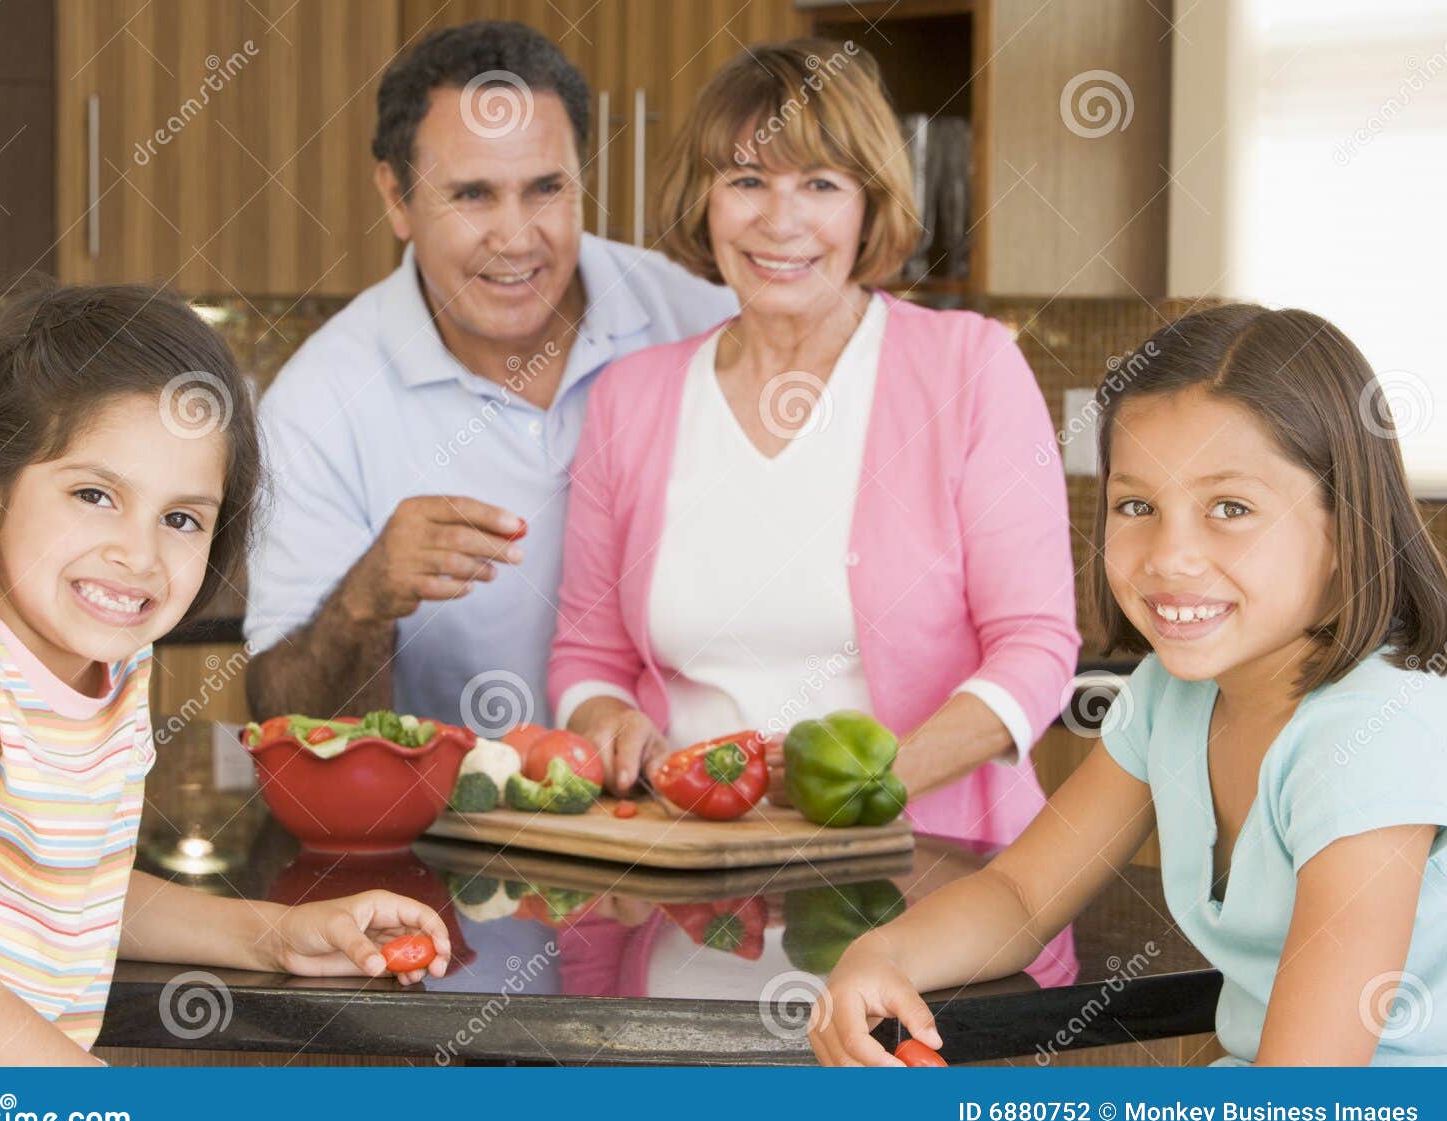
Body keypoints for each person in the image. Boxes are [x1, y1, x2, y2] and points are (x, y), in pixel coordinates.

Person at [811, 304, 1447, 1067]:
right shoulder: (1170, 697)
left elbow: (1302, 1102)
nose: (1170, 556)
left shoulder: (1373, 735)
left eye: (1231, 508)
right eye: (1137, 505)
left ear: (1347, 530)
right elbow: (1021, 896)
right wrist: (880, 956)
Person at [0, 285, 449, 1067]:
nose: (139, 553)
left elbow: (74, 893)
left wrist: (275, 933)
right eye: (94, 495)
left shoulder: (107, 661)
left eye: (180, 518)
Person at [548, 39, 1081, 826]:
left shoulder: (967, 367)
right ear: (704, 199)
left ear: (869, 203)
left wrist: (869, 787)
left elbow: (1036, 647)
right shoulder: (633, 396)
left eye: (821, 184)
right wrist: (607, 722)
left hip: (931, 873)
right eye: (746, 180)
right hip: (692, 878)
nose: (780, 219)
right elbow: (588, 657)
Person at [244, 21, 735, 728]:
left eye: (546, 188)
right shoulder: (319, 404)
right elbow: (287, 721)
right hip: (459, 831)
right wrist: (366, 596)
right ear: (395, 198)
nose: (515, 237)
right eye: (472, 195)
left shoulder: (700, 321)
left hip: (695, 812)